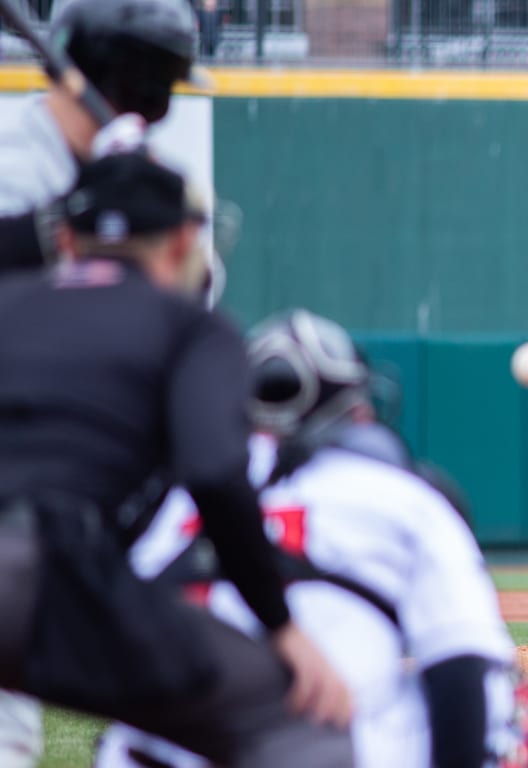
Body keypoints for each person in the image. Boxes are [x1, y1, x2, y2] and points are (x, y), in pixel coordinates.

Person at [0, 152, 354, 764]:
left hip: (40, 571)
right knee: (298, 719)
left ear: (63, 239)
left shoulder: (8, 301)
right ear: (185, 240)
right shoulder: (191, 325)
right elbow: (215, 472)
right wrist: (279, 623)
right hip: (37, 570)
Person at [95, 309, 528, 768]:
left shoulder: (175, 500)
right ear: (354, 407)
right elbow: (460, 667)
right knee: (504, 699)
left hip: (169, 743)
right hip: (325, 739)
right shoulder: (404, 496)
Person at [0, 0, 206, 273]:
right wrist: (72, 217)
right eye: (155, 97)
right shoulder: (12, 164)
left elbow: (194, 292)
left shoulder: (131, 171)